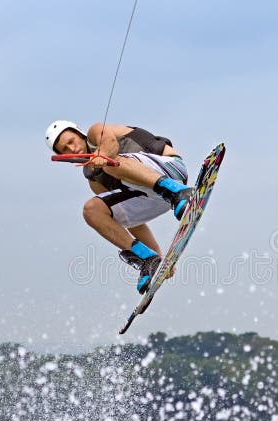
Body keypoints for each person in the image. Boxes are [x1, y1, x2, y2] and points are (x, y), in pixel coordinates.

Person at [45, 120, 192, 294]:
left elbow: (110, 145)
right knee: (92, 209)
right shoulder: (94, 179)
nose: (72, 149)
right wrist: (160, 256)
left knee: (108, 161)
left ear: (79, 133)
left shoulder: (95, 132)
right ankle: (147, 258)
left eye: (71, 141)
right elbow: (133, 222)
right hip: (156, 198)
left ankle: (178, 192)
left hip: (171, 171)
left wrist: (102, 155)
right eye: (65, 149)